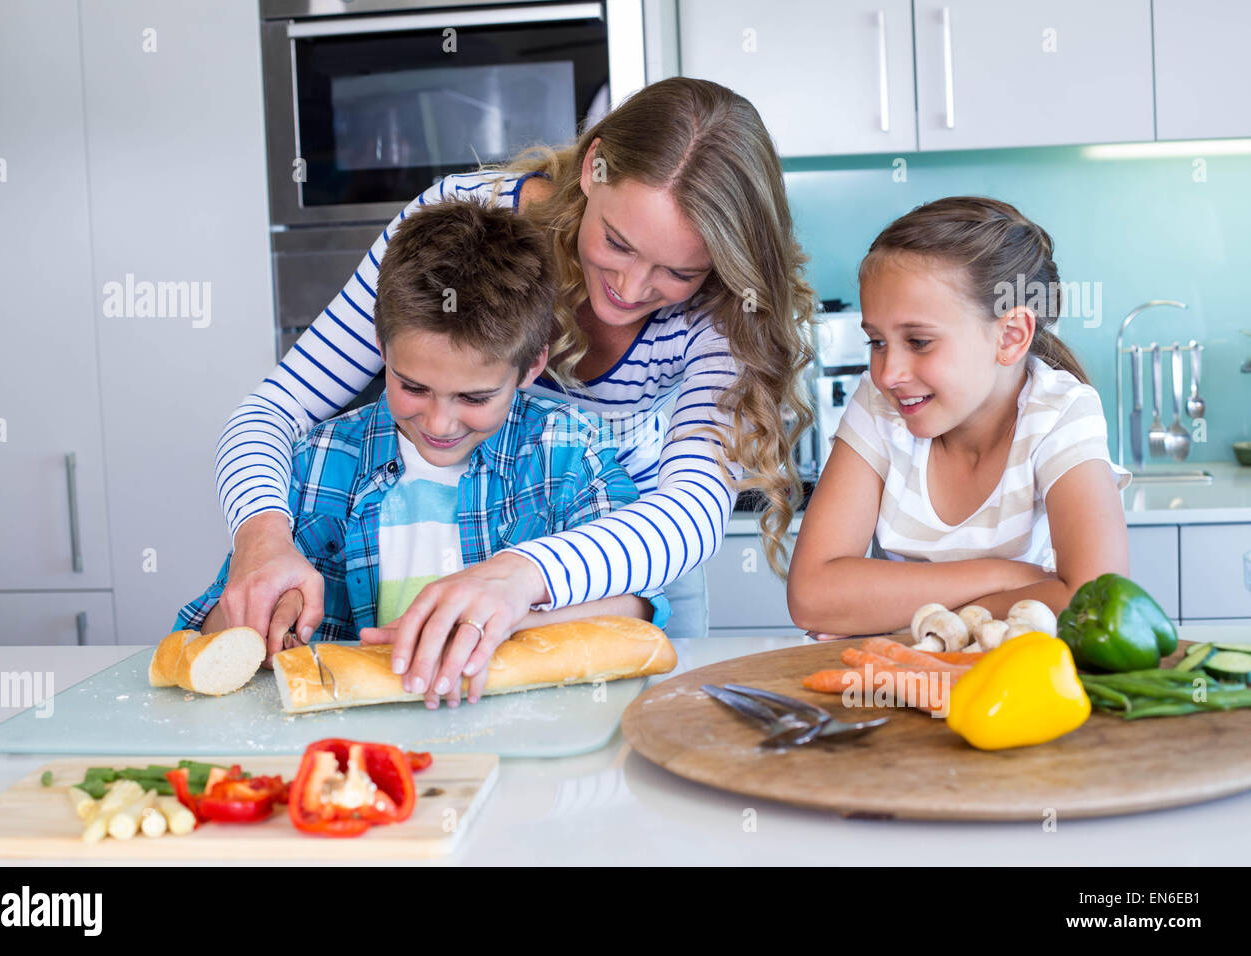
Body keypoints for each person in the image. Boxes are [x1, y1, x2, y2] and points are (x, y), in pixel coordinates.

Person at [211, 77, 815, 706]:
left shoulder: (724, 312)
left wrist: (521, 576)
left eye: (679, 271)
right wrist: (261, 534)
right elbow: (275, 408)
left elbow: (691, 510)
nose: (632, 290)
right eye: (616, 242)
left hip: (630, 566)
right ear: (592, 168)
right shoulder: (471, 220)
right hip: (457, 551)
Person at [175, 197, 666, 707]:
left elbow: (635, 608)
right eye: (413, 387)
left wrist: (503, 619)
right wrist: (262, 615)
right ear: (381, 349)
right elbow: (206, 630)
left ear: (531, 366)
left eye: (475, 398)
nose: (438, 423)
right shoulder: (320, 462)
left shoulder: (568, 452)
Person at [788, 197, 1130, 637]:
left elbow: (1092, 602)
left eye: (919, 341)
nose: (888, 374)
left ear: (1010, 336)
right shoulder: (878, 405)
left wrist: (888, 609)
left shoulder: (1059, 413)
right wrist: (1005, 575)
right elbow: (813, 597)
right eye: (876, 342)